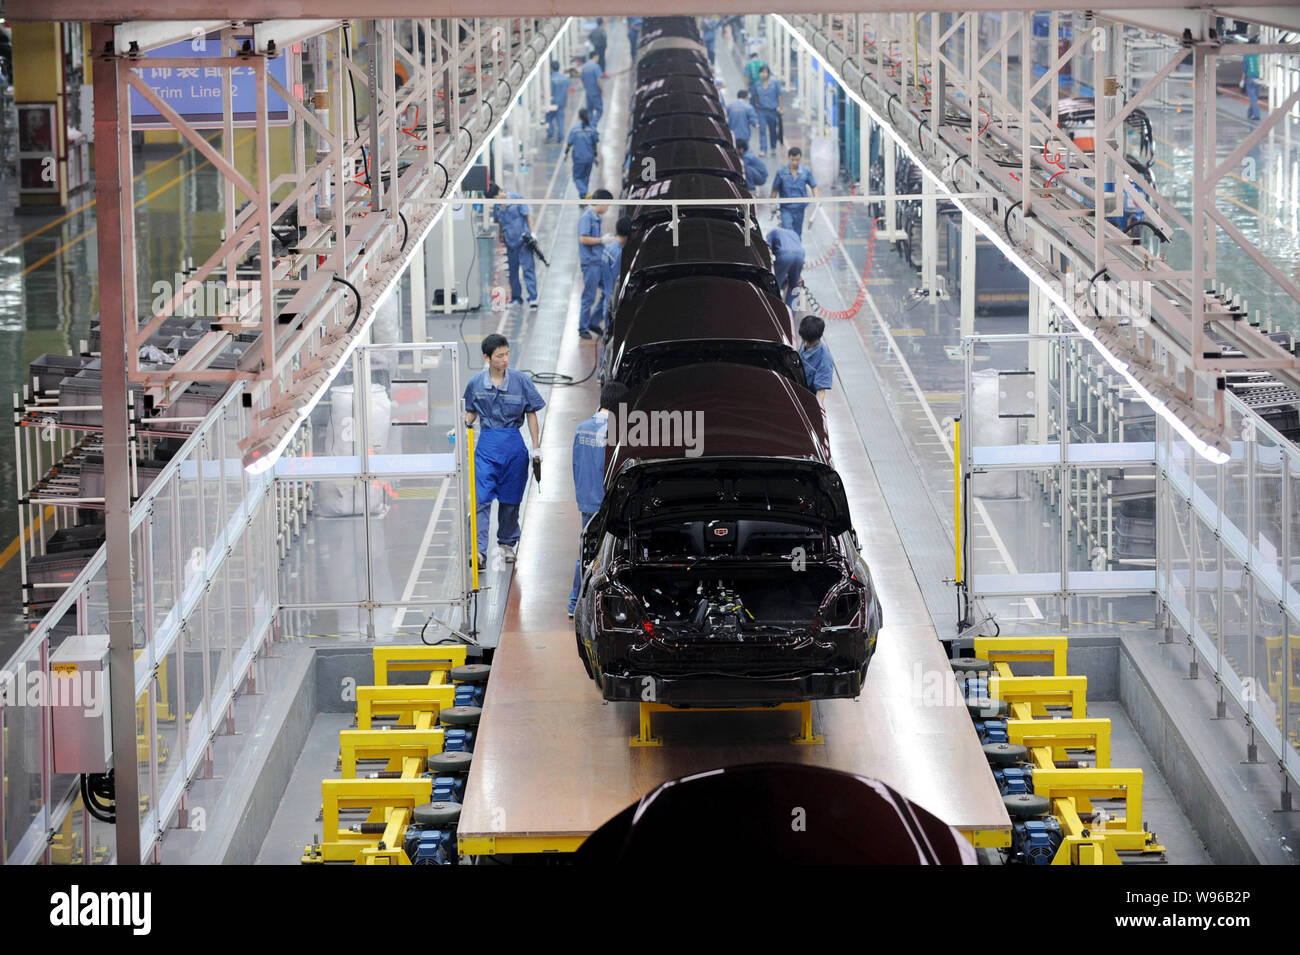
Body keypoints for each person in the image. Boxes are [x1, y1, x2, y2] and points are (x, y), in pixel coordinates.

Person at [463, 334, 546, 565]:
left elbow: (531, 414)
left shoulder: (521, 381)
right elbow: (471, 410)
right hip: (487, 447)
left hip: (513, 447)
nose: (505, 359)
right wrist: (462, 423)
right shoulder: (476, 383)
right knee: (480, 500)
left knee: (511, 500)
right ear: (487, 357)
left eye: (507, 353)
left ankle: (507, 543)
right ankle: (477, 551)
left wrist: (536, 447)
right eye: (500, 356)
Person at [569, 381, 630, 617]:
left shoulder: (582, 429)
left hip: (587, 500)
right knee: (612, 554)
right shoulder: (619, 433)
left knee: (586, 548)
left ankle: (574, 602)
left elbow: (576, 465)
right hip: (608, 503)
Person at [487, 185, 538, 308]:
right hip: (510, 244)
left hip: (523, 242)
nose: (496, 201)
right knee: (513, 273)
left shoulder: (517, 199)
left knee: (528, 270)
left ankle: (533, 297)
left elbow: (528, 217)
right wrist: (501, 239)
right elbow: (499, 223)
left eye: (496, 198)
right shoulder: (497, 208)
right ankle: (516, 298)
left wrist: (533, 233)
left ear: (500, 192)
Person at [578, 190, 614, 339]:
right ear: (601, 202)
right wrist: (601, 240)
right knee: (589, 296)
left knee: (607, 291)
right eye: (608, 204)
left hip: (598, 261)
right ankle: (583, 328)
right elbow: (583, 239)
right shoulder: (587, 217)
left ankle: (594, 321)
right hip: (591, 263)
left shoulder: (597, 218)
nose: (608, 208)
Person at [770, 146, 818, 237]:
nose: (795, 162)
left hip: (800, 209)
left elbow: (814, 186)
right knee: (788, 231)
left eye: (797, 160)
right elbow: (774, 189)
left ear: (800, 159)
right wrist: (772, 205)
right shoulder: (781, 173)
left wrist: (816, 199)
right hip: (786, 209)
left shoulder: (805, 172)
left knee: (797, 233)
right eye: (793, 160)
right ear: (788, 158)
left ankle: (797, 250)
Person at [600, 216, 632, 329]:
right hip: (613, 301)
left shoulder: (607, 248)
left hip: (607, 295)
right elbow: (619, 280)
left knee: (606, 332)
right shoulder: (619, 254)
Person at [797, 314, 834, 404]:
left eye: (808, 341)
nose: (806, 344)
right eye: (804, 339)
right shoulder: (805, 341)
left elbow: (821, 391)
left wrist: (817, 411)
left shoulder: (824, 359)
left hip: (807, 398)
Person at [565, 108, 599, 199]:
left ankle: (585, 193)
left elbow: (569, 144)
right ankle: (583, 199)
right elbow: (594, 144)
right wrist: (595, 157)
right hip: (589, 158)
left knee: (576, 178)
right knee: (585, 178)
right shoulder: (592, 129)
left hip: (579, 158)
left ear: (579, 117)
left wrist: (566, 154)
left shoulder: (575, 130)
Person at [767, 227, 805, 309]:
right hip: (800, 255)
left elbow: (767, 250)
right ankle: (790, 314)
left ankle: (773, 309)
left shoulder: (772, 232)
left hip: (785, 255)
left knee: (774, 285)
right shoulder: (793, 233)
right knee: (794, 286)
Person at [753, 66, 783, 155]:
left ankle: (773, 147)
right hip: (762, 110)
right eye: (761, 72)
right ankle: (763, 149)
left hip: (773, 110)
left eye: (765, 72)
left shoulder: (774, 83)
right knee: (762, 130)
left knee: (773, 130)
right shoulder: (757, 84)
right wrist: (757, 106)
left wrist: (781, 107)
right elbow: (756, 96)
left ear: (768, 73)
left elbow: (779, 95)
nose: (763, 74)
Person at [547, 59, 569, 142]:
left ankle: (550, 134)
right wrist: (566, 102)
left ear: (551, 68)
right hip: (561, 103)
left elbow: (550, 92)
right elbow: (567, 91)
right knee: (560, 121)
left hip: (553, 103)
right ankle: (561, 138)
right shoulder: (564, 78)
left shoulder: (551, 79)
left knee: (548, 119)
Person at [580, 49, 604, 126]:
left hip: (588, 92)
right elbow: (598, 79)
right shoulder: (596, 67)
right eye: (598, 57)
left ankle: (589, 125)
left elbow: (582, 79)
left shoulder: (584, 67)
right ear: (595, 57)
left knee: (589, 110)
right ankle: (593, 124)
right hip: (595, 93)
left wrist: (586, 87)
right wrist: (603, 90)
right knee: (599, 110)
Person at [1243, 39, 1262, 121]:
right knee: (1255, 98)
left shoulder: (1246, 56)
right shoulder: (1259, 55)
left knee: (1253, 98)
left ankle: (1255, 114)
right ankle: (1251, 114)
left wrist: (1242, 80)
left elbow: (1244, 70)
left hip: (1250, 78)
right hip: (1258, 78)